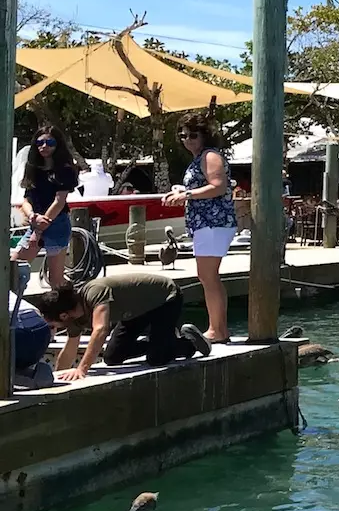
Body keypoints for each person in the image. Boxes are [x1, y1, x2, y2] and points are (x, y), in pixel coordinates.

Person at [36, 272, 211, 382]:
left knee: (156, 359)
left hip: (164, 299)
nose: (52, 329)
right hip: (134, 311)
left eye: (52, 325)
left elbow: (101, 330)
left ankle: (188, 343)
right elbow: (69, 349)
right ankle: (164, 341)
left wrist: (82, 369)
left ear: (64, 316)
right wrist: (58, 378)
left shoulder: (94, 292)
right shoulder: (74, 319)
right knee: (112, 357)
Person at [163, 113, 236, 344]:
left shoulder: (210, 155)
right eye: (183, 135)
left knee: (208, 276)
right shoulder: (199, 158)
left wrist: (186, 194)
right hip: (205, 223)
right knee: (207, 277)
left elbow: (218, 186)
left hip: (213, 222)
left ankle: (217, 331)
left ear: (205, 134)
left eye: (193, 135)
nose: (187, 140)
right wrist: (182, 192)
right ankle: (218, 329)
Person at [12, 124, 82, 289]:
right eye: (40, 143)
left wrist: (40, 228)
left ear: (57, 145)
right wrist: (32, 217)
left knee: (55, 279)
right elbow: (27, 199)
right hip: (35, 222)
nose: (44, 146)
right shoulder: (33, 168)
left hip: (56, 224)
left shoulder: (65, 170)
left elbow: (59, 201)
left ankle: (69, 308)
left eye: (50, 143)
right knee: (14, 266)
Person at [10, 288, 56, 389]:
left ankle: (13, 380)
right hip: (41, 328)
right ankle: (36, 375)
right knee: (17, 365)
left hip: (18, 332)